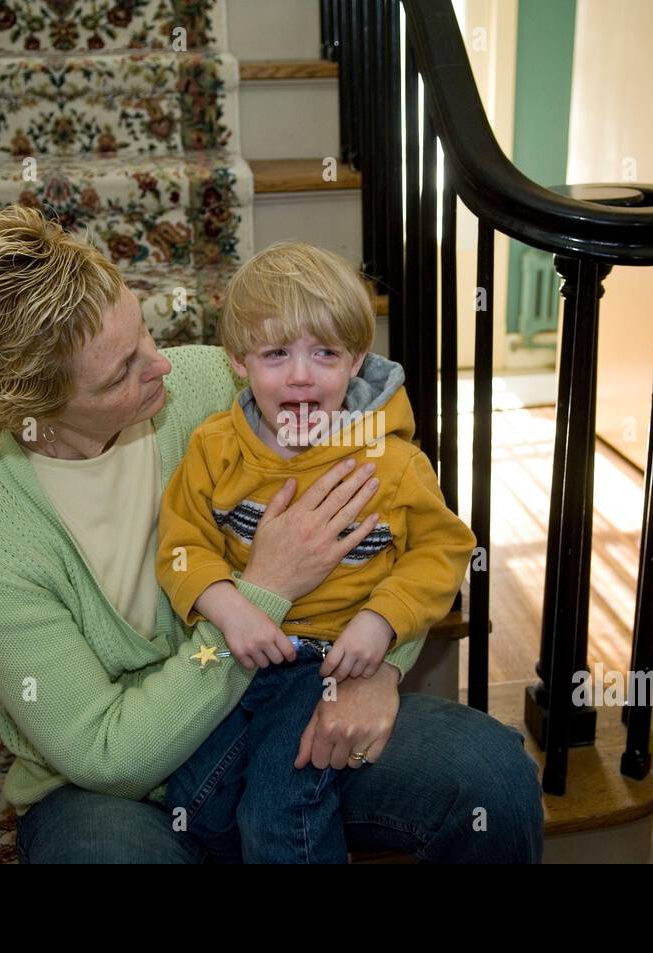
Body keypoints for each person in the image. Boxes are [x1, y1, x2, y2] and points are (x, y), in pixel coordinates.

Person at [0, 204, 544, 863]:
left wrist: (379, 663)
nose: (160, 364)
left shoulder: (210, 383)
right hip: (118, 792)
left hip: (288, 700)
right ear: (38, 407)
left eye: (145, 335)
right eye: (122, 371)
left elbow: (400, 522)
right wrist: (263, 591)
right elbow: (104, 753)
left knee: (493, 775)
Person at [158, 241, 478, 863]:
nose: (301, 376)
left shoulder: (392, 463)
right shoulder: (214, 449)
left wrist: (381, 622)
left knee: (282, 809)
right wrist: (229, 606)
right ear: (238, 362)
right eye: (276, 354)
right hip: (234, 655)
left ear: (356, 361)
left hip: (328, 668)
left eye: (324, 353)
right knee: (195, 809)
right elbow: (180, 545)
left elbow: (442, 549)